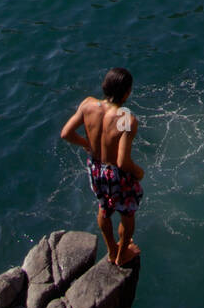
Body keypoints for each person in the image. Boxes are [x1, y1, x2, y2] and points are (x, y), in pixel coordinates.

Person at [60, 68, 144, 266]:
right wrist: (138, 172)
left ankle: (111, 249)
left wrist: (86, 143)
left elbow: (66, 133)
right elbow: (123, 161)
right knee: (127, 213)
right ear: (126, 93)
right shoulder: (125, 117)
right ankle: (122, 254)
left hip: (95, 167)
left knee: (104, 207)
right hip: (116, 173)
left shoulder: (88, 104)